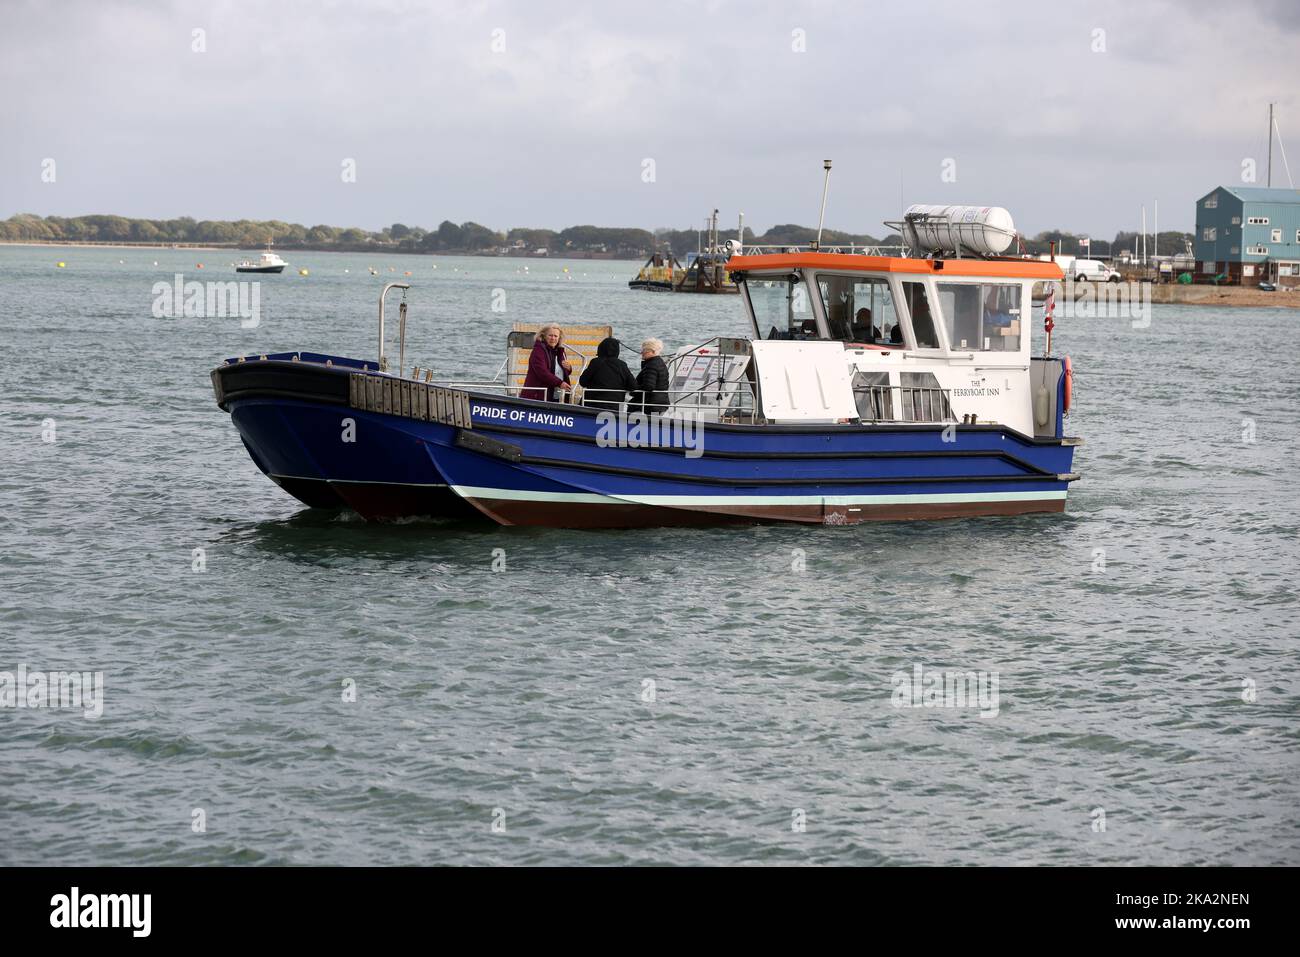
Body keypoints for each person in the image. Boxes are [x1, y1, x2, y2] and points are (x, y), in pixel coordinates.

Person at [578, 336, 638, 412]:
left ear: (600, 349)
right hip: (614, 408)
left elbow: (583, 381)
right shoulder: (622, 365)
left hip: (591, 406)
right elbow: (633, 386)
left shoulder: (595, 362)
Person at [520, 323, 572, 401]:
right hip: (537, 396)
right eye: (550, 335)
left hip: (555, 394)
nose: (553, 338)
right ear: (544, 336)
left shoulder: (560, 351)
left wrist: (569, 368)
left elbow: (560, 372)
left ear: (559, 337)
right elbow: (542, 372)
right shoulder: (538, 350)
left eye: (555, 336)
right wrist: (559, 383)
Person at [630, 337, 670, 414]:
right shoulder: (660, 363)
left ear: (653, 352)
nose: (642, 352)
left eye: (644, 350)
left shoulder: (651, 365)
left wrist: (633, 389)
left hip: (650, 405)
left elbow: (648, 386)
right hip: (660, 402)